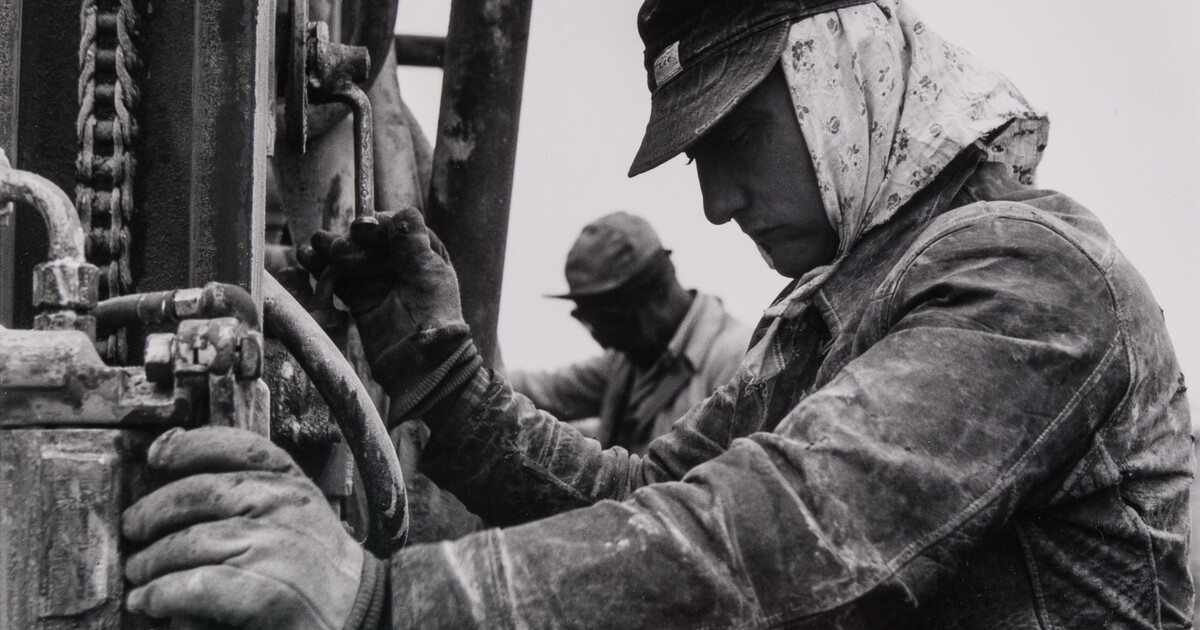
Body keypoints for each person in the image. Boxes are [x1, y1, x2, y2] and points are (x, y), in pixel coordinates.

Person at [120, 0, 1194, 628]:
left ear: (837, 73)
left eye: (735, 138)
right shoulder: (843, 305)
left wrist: (383, 600)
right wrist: (442, 373)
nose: (718, 204)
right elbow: (648, 491)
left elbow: (782, 533)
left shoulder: (1024, 278)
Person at [508, 211, 750, 454]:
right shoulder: (628, 361)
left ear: (655, 297)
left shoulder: (735, 361)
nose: (606, 341)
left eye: (611, 324)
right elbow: (548, 390)